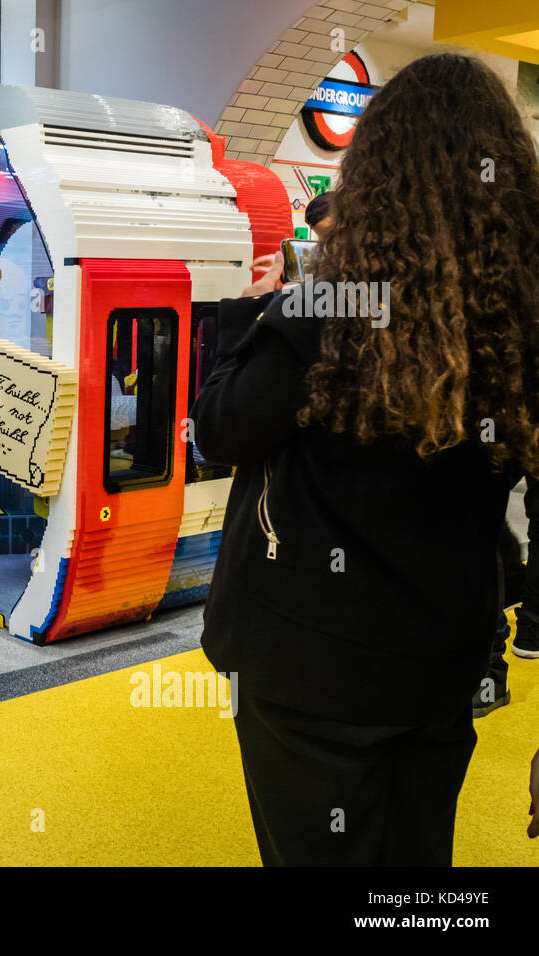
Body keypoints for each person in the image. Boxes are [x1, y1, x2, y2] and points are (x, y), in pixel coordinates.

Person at [193, 53, 539, 864]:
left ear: (377, 172)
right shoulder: (518, 318)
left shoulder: (330, 306)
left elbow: (220, 429)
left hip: (306, 662)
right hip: (440, 664)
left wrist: (250, 316)